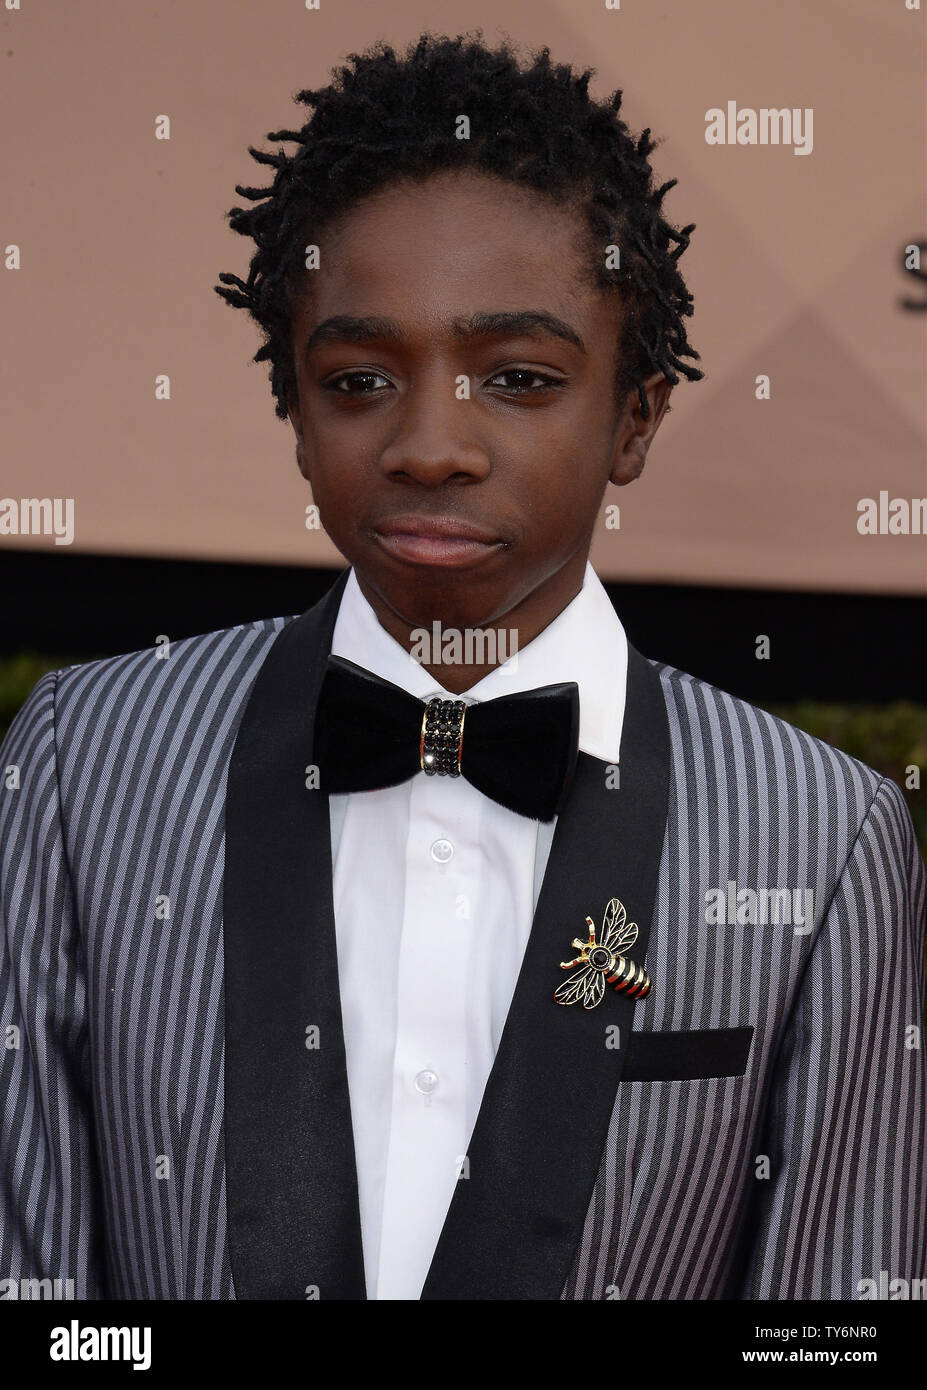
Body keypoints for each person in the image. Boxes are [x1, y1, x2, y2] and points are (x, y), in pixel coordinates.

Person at [1, 31, 924, 1302]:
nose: (431, 443)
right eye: (362, 377)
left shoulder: (820, 838)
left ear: (638, 416)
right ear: (294, 402)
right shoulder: (82, 759)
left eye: (522, 378)